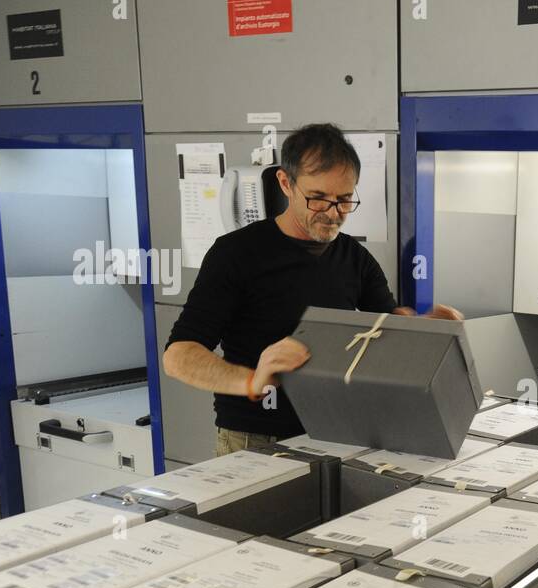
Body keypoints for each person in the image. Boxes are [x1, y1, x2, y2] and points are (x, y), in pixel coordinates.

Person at [163, 123, 458, 456]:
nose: (333, 214)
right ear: (286, 183)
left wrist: (424, 331)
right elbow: (178, 356)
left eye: (344, 200)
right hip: (255, 439)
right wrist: (250, 381)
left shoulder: (355, 258)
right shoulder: (236, 254)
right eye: (318, 199)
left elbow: (387, 335)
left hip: (336, 432)